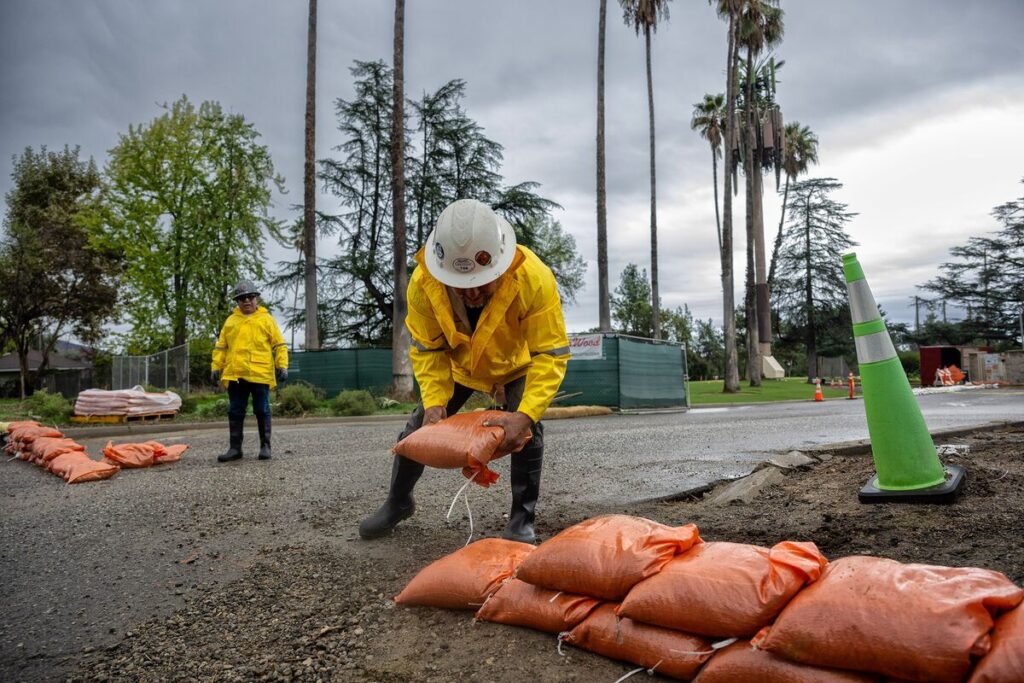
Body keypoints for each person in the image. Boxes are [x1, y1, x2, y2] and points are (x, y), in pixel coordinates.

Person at [359, 198, 570, 543]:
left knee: (528, 431)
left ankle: (521, 520)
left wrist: (526, 414)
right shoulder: (423, 284)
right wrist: (435, 404)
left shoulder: (533, 277)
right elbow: (429, 349)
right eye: (461, 283)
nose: (472, 292)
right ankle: (398, 503)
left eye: (482, 281)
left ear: (500, 262)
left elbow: (549, 352)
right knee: (416, 429)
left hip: (515, 364)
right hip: (459, 368)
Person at [211, 280, 289, 462]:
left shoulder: (267, 320)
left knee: (261, 410)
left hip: (259, 374)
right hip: (235, 374)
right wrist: (216, 366)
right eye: (242, 298)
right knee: (235, 411)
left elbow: (279, 345)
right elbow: (221, 347)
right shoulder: (230, 321)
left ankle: (265, 446)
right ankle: (235, 448)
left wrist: (282, 365)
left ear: (256, 299)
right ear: (237, 302)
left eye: (250, 297)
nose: (247, 301)